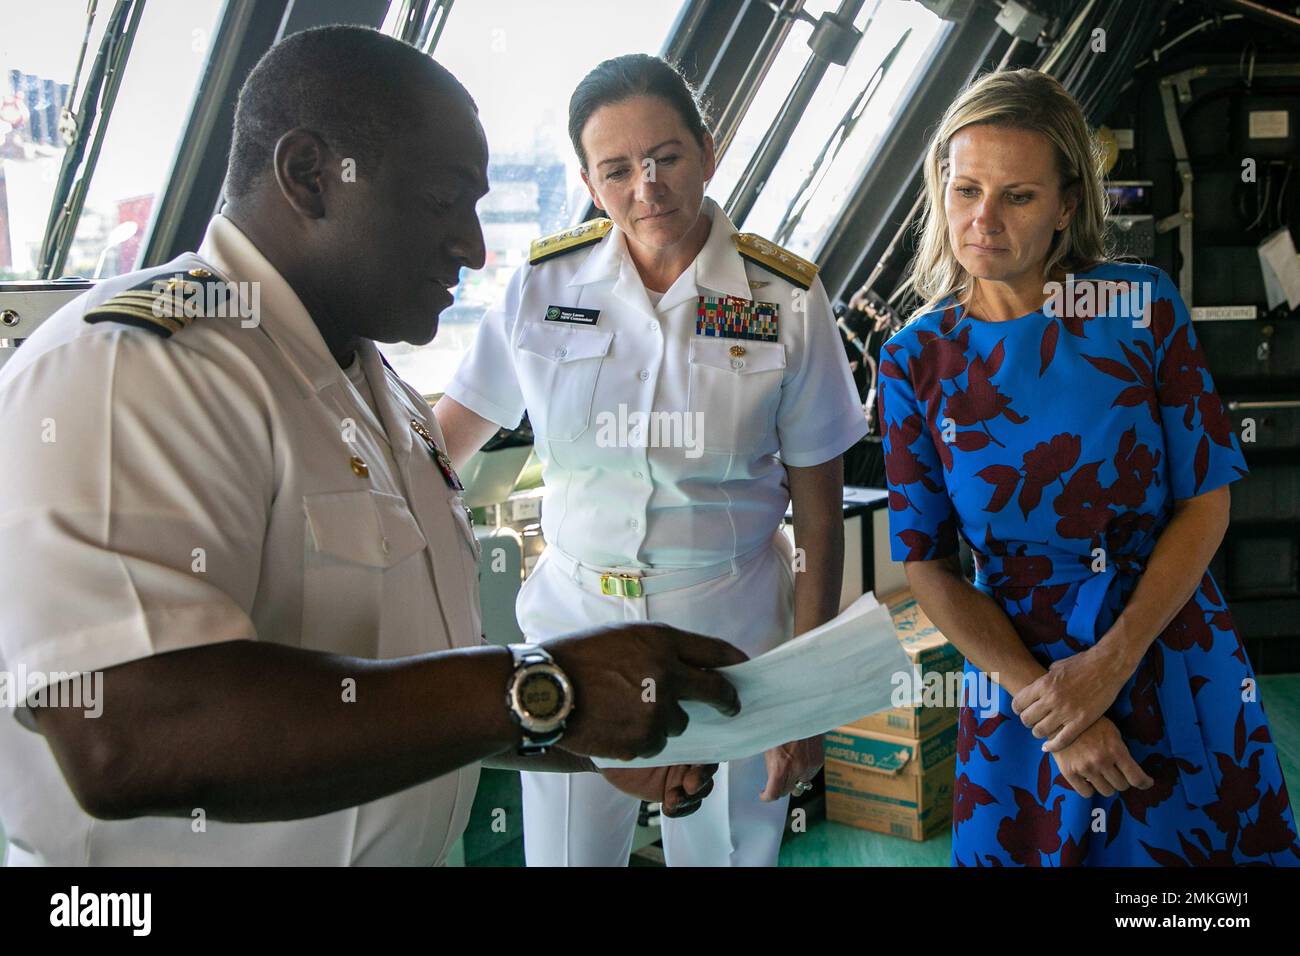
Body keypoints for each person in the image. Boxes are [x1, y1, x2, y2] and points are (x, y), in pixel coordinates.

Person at [0, 26, 747, 867]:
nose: (474, 245)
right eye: (444, 201)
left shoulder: (379, 392)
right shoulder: (138, 374)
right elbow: (128, 734)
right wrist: (544, 689)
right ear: (310, 176)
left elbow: (392, 689)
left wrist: (565, 733)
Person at [435, 54, 868, 867]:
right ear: (590, 181)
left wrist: (809, 693)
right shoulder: (543, 285)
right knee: (567, 858)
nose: (648, 187)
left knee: (728, 855)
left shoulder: (784, 298)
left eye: (667, 158)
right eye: (619, 169)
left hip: (730, 634)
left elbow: (818, 512)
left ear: (708, 150)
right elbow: (444, 444)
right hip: (573, 631)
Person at [878, 68, 1300, 865]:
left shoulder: (1140, 309)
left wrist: (1111, 664)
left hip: (1169, 654)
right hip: (1019, 687)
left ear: (1068, 204)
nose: (983, 221)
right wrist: (1054, 706)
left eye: (1019, 196)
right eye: (965, 190)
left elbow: (1206, 503)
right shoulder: (913, 359)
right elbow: (927, 564)